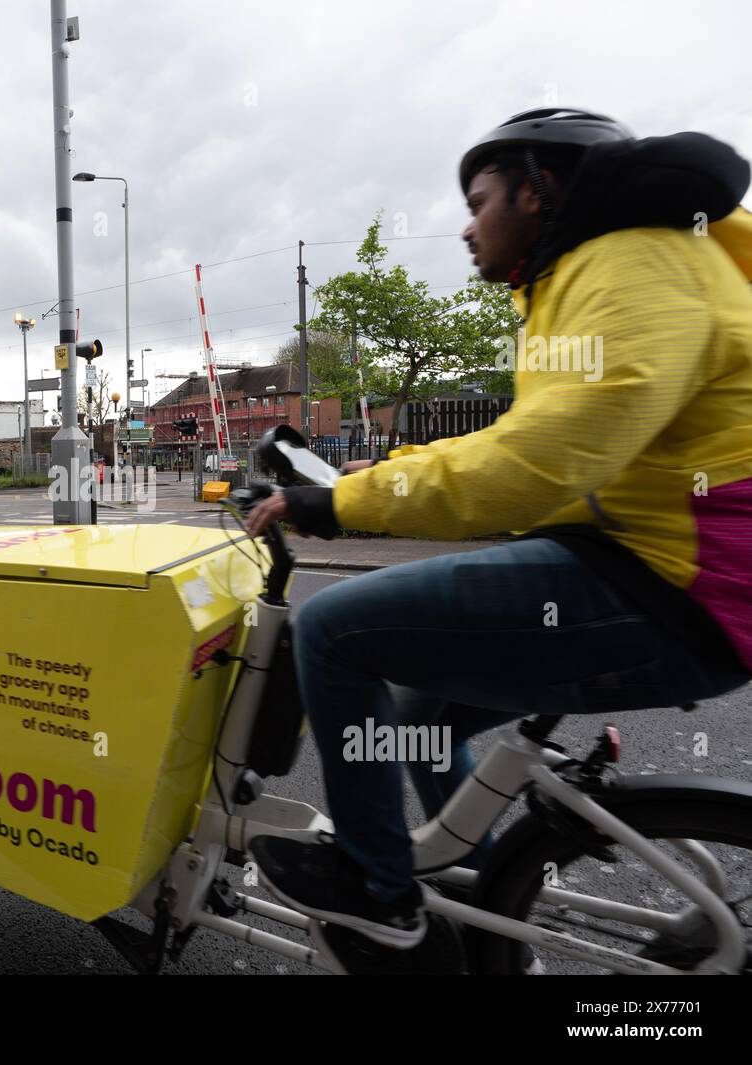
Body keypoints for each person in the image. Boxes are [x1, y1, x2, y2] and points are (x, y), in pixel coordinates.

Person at [245, 107, 752, 950]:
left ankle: (379, 897)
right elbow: (561, 459)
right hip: (655, 559)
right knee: (418, 714)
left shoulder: (629, 263)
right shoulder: (595, 273)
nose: (466, 225)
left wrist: (335, 505)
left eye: (479, 200)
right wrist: (388, 475)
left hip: (684, 585)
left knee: (332, 629)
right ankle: (483, 910)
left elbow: (543, 462)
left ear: (539, 186)